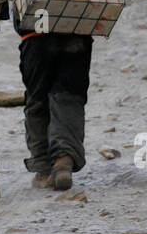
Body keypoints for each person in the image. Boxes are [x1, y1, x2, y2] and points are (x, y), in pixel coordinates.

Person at [19, 30, 94, 190]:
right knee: (69, 98)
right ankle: (63, 159)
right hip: (77, 33)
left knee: (37, 102)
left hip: (35, 37)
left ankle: (44, 169)